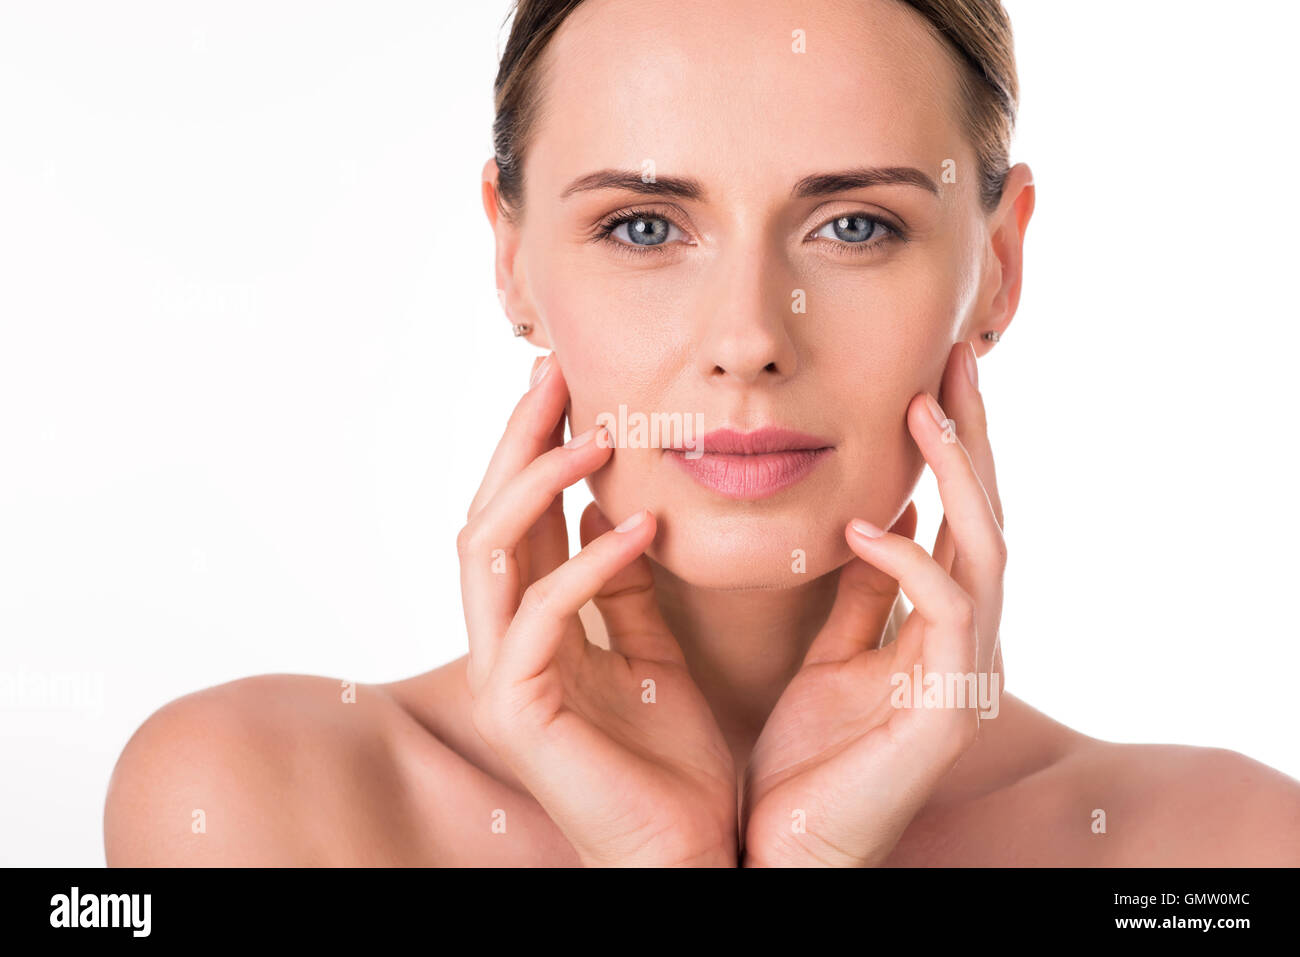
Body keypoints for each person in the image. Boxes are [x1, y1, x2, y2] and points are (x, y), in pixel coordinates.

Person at [104, 0, 1300, 866]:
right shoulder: (260, 799)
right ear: (512, 257)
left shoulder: (1221, 853)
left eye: (851, 227)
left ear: (998, 267)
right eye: (641, 227)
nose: (747, 340)